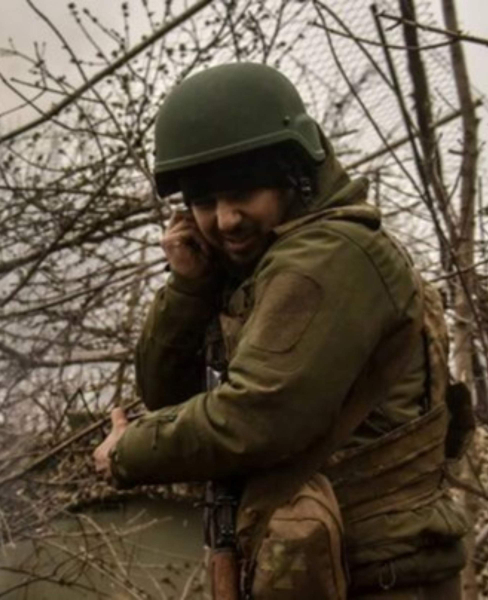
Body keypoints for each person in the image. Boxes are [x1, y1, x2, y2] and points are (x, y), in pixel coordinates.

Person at [93, 63, 469, 599]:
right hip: (337, 567)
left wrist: (132, 449)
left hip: (384, 576)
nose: (225, 220)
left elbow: (258, 416)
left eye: (241, 192)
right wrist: (190, 289)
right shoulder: (261, 270)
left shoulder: (329, 256)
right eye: (204, 202)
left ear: (292, 175)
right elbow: (172, 397)